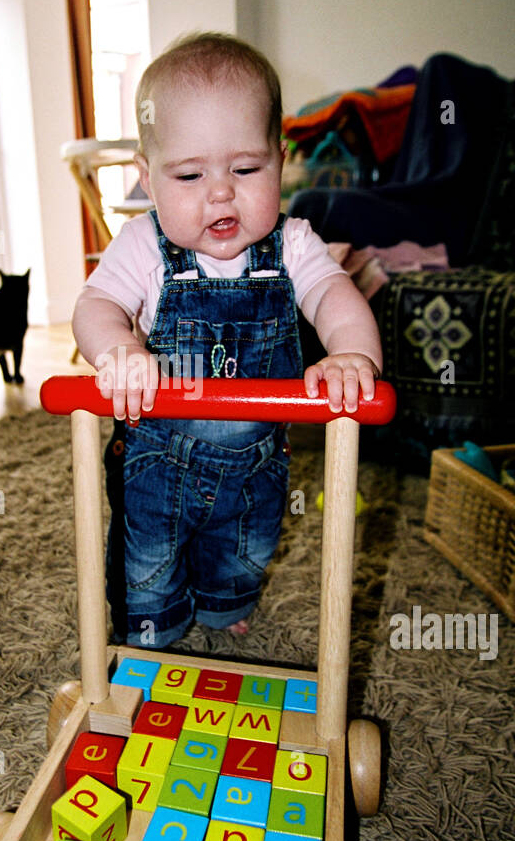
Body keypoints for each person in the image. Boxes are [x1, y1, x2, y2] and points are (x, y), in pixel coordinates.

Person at [72, 32, 382, 648]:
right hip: (159, 464)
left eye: (245, 169)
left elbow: (334, 295)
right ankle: (156, 625)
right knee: (148, 565)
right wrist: (120, 351)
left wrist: (352, 354)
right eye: (189, 174)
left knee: (245, 549)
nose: (220, 192)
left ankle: (222, 602)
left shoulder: (292, 245)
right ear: (149, 178)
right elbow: (96, 304)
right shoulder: (143, 243)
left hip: (256, 465)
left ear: (280, 160)